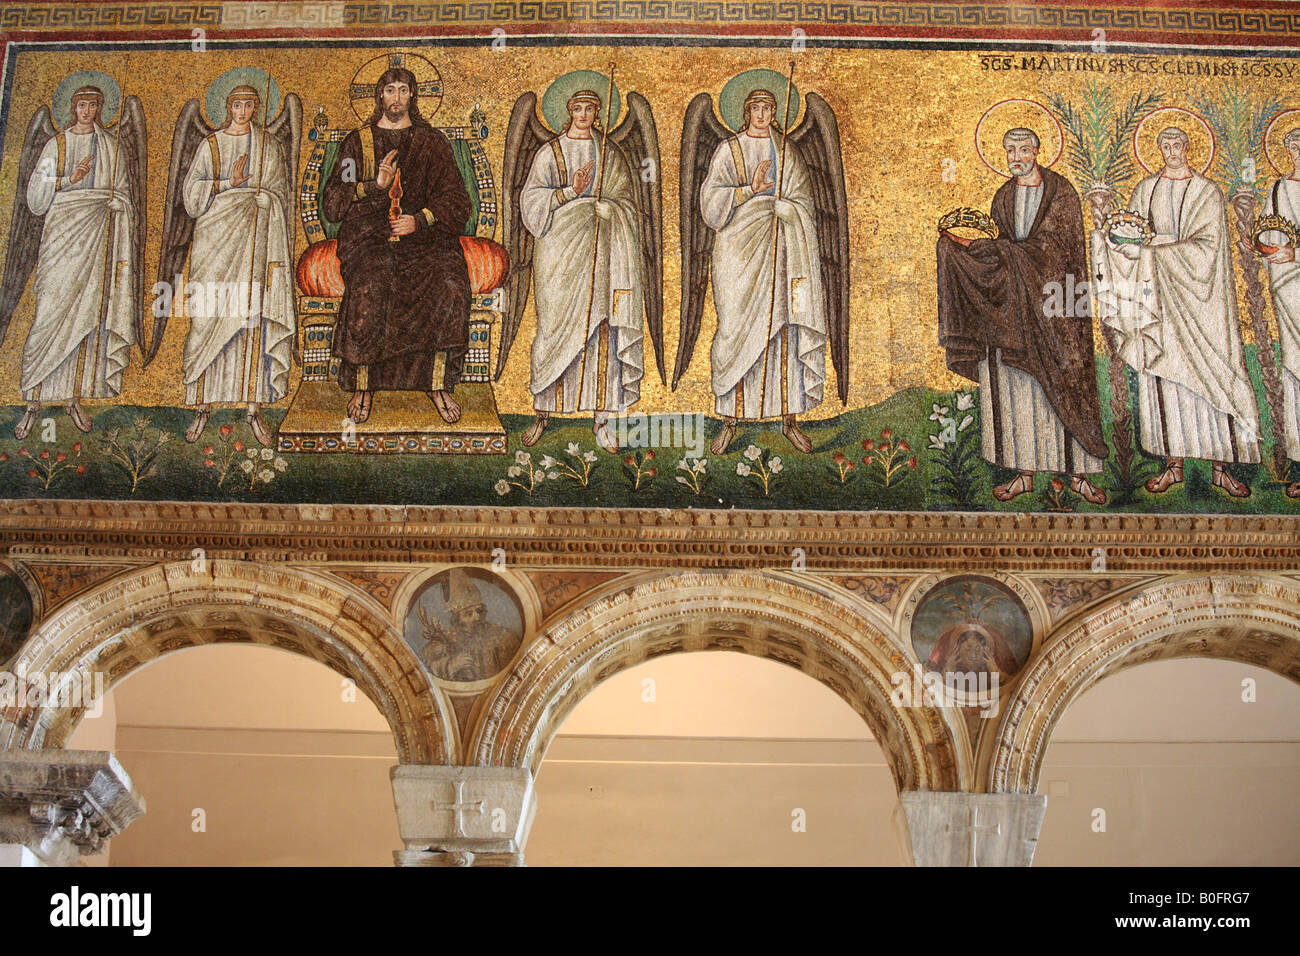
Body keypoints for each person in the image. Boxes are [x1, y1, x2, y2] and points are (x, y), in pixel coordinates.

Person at [938, 127, 1109, 504]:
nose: (1015, 157)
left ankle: (1079, 475)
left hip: (1056, 306)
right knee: (1016, 387)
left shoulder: (1061, 193)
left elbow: (1058, 249)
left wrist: (1003, 253)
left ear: (1036, 151)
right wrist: (963, 251)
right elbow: (1001, 253)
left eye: (1022, 149)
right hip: (1017, 308)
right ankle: (1023, 473)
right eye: (1009, 150)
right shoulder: (1003, 197)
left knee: (1064, 378)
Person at [1093, 126, 1261, 498]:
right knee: (1166, 378)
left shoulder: (1207, 192)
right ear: (1158, 149)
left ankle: (1221, 468)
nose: (1171, 151)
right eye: (1164, 145)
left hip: (1202, 304)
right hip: (1158, 302)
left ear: (1188, 147)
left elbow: (1208, 250)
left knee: (1213, 374)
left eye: (1177, 145)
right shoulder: (1145, 190)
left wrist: (1154, 251)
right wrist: (1108, 242)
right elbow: (1128, 238)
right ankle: (1174, 465)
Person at [322, 67, 472, 425]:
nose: (397, 98)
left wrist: (419, 220)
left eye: (404, 90)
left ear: (413, 97)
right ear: (380, 96)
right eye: (390, 90)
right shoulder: (357, 143)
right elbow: (333, 201)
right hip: (370, 237)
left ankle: (437, 385)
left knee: (449, 281)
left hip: (425, 240)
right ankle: (363, 383)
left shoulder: (431, 142)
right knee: (373, 279)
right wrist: (373, 185)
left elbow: (456, 200)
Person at [699, 87, 827, 455]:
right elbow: (709, 206)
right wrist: (747, 191)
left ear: (774, 112)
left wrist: (790, 210)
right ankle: (729, 421)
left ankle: (789, 420)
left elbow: (804, 202)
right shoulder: (729, 150)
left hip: (784, 252)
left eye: (768, 108)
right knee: (735, 329)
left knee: (784, 330)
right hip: (738, 254)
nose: (762, 114)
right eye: (755, 107)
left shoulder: (788, 152)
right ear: (745, 111)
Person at [518, 89, 645, 453]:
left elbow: (628, 203)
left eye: (591, 108)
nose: (585, 114)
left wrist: (612, 210)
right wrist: (567, 194)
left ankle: (602, 421)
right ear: (568, 111)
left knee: (603, 333)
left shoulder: (609, 153)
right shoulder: (549, 153)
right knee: (553, 330)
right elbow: (531, 204)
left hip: (605, 256)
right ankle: (543, 413)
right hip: (560, 255)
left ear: (598, 112)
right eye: (578, 108)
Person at [16, 86, 135, 440]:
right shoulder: (58, 144)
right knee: (49, 313)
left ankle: (71, 399)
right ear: (73, 107)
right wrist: (69, 180)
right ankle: (32, 401)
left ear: (100, 108)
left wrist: (119, 204)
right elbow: (35, 197)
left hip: (96, 236)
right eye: (81, 104)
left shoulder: (111, 146)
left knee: (86, 317)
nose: (87, 110)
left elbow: (123, 191)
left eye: (93, 105)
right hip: (62, 234)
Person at [179, 85, 294, 447]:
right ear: (227, 106)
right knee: (209, 315)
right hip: (216, 240)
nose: (243, 110)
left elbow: (280, 191)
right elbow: (190, 196)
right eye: (237, 104)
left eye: (249, 105)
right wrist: (229, 182)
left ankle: (253, 409)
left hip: (256, 238)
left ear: (256, 108)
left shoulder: (268, 145)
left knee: (251, 319)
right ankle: (202, 406)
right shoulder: (210, 145)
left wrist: (266, 198)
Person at [1261, 127, 1300, 499]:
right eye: (1294, 146)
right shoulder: (1277, 190)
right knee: (1293, 372)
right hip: (1288, 291)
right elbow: (1266, 236)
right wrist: (1270, 250)